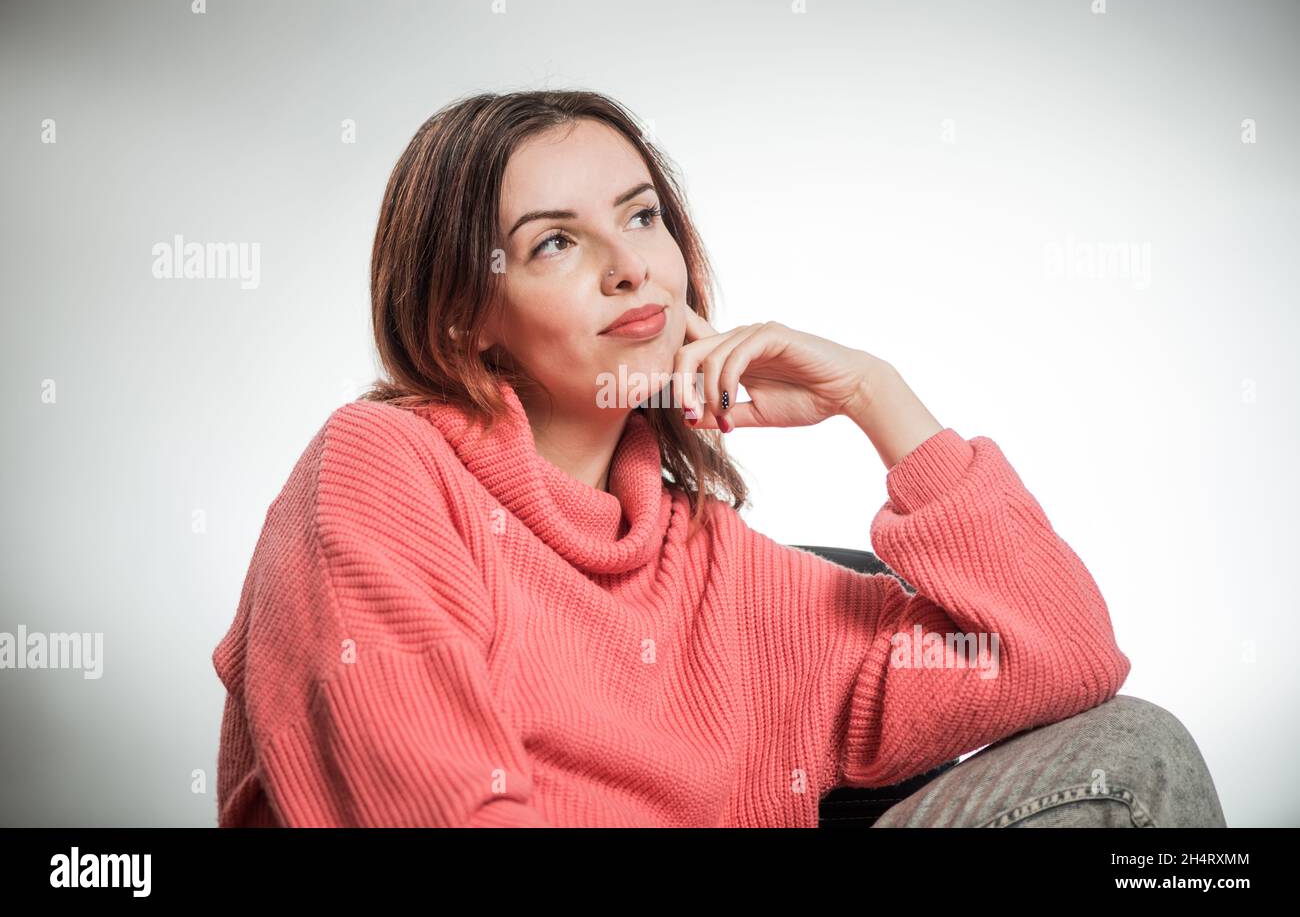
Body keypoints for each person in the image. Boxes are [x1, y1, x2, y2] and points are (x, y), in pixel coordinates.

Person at [211, 90, 1224, 827]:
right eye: (555, 244)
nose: (628, 266)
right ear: (464, 313)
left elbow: (1061, 653)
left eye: (640, 215)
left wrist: (875, 397)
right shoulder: (381, 469)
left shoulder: (714, 566)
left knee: (1129, 749)